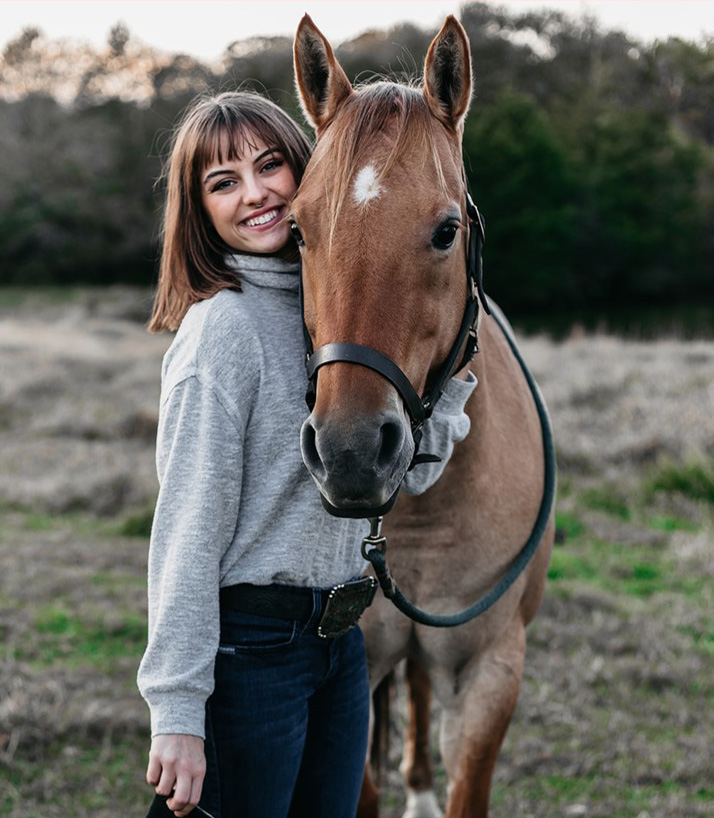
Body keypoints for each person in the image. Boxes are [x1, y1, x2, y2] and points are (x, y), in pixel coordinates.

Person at [138, 91, 477, 818]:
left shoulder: (326, 314)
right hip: (254, 649)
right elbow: (186, 537)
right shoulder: (222, 332)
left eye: (269, 167)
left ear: (308, 170)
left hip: (338, 642)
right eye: (223, 183)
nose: (255, 193)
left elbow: (406, 472)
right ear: (198, 209)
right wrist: (176, 711)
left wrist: (452, 384)